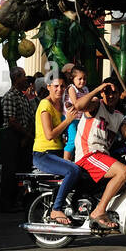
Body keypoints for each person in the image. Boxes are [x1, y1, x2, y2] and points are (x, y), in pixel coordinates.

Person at [73, 83, 126, 231]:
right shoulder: (96, 105)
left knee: (124, 183)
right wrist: (98, 89)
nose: (110, 96)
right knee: (122, 172)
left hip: (102, 156)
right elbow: (78, 106)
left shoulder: (118, 116)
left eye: (114, 93)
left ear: (119, 95)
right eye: (107, 92)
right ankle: (99, 211)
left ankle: (104, 209)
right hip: (88, 154)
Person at [33, 79, 88, 226]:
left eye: (62, 86)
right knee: (73, 170)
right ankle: (56, 209)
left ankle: (76, 209)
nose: (60, 89)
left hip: (56, 152)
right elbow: (49, 134)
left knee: (84, 174)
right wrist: (69, 120)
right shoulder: (45, 105)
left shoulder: (60, 105)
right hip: (43, 154)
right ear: (48, 87)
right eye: (56, 86)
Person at [0, 68, 34, 211]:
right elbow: (12, 121)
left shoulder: (23, 96)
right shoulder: (10, 97)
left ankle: (18, 200)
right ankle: (7, 203)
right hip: (12, 136)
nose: (26, 79)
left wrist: (28, 136)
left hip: (24, 136)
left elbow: (29, 117)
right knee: (10, 170)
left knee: (22, 169)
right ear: (16, 78)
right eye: (23, 76)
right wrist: (26, 134)